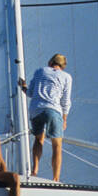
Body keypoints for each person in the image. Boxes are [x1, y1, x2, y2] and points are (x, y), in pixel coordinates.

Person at [19, 53, 72, 181]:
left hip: (36, 110)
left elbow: (30, 93)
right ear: (63, 66)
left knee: (38, 140)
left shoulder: (40, 71)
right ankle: (55, 178)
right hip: (53, 110)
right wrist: (64, 119)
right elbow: (65, 100)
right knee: (57, 145)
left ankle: (35, 170)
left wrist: (23, 86)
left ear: (51, 61)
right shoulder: (66, 77)